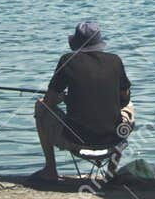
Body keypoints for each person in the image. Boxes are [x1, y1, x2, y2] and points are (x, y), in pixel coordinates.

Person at [31, 20, 133, 183]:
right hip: (112, 140)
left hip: (75, 140)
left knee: (40, 106)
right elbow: (125, 98)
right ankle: (111, 173)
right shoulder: (115, 61)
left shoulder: (67, 60)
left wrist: (63, 98)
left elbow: (49, 101)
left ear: (76, 43)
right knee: (129, 107)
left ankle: (50, 169)